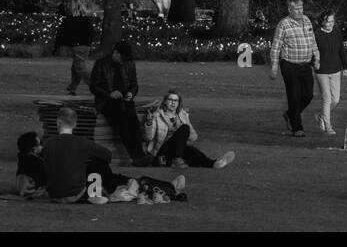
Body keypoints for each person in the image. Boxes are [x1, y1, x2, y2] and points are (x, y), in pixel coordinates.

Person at [44, 106, 185, 203]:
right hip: (76, 193)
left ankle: (157, 186)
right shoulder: (82, 143)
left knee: (104, 170)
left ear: (58, 123)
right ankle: (165, 188)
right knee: (99, 163)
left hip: (54, 195)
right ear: (75, 124)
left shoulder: (47, 144)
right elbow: (107, 156)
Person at [89, 40, 150, 164]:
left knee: (134, 123)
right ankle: (136, 156)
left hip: (125, 100)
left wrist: (131, 93)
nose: (123, 62)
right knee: (122, 124)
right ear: (115, 53)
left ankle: (140, 154)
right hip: (107, 101)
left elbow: (134, 85)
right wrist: (109, 94)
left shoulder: (129, 64)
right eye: (121, 58)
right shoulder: (101, 64)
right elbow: (93, 86)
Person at [141, 89, 235, 169]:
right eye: (170, 100)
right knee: (185, 129)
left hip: (177, 148)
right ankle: (177, 159)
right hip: (162, 150)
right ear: (165, 101)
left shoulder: (183, 115)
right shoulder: (157, 115)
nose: (173, 103)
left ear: (179, 103)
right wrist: (149, 123)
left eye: (176, 100)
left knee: (191, 150)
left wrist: (182, 137)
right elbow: (148, 138)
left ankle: (213, 164)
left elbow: (194, 137)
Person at [269, 0, 319, 137]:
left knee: (308, 95)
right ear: (289, 9)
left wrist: (317, 58)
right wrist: (274, 66)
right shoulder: (283, 24)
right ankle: (297, 128)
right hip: (290, 65)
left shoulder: (307, 20)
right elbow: (276, 46)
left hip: (306, 64)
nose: (299, 11)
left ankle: (290, 114)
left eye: (301, 8)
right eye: (296, 9)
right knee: (294, 96)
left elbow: (312, 41)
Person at [312, 10, 347, 135]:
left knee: (335, 99)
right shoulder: (317, 34)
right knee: (327, 98)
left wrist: (345, 67)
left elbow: (342, 50)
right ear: (323, 22)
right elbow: (312, 51)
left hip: (335, 70)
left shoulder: (336, 32)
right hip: (321, 71)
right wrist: (314, 62)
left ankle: (320, 115)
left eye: (332, 21)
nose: (331, 24)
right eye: (328, 21)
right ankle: (328, 126)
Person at [54, 0, 95, 96]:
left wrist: (57, 46)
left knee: (80, 67)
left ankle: (94, 85)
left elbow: (61, 33)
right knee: (76, 67)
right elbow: (91, 32)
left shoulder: (70, 20)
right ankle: (72, 88)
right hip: (84, 45)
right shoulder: (85, 19)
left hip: (78, 45)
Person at [15, 132, 48, 199]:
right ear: (33, 148)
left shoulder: (23, 159)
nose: (41, 147)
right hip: (32, 192)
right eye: (39, 144)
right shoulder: (36, 163)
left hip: (25, 190)